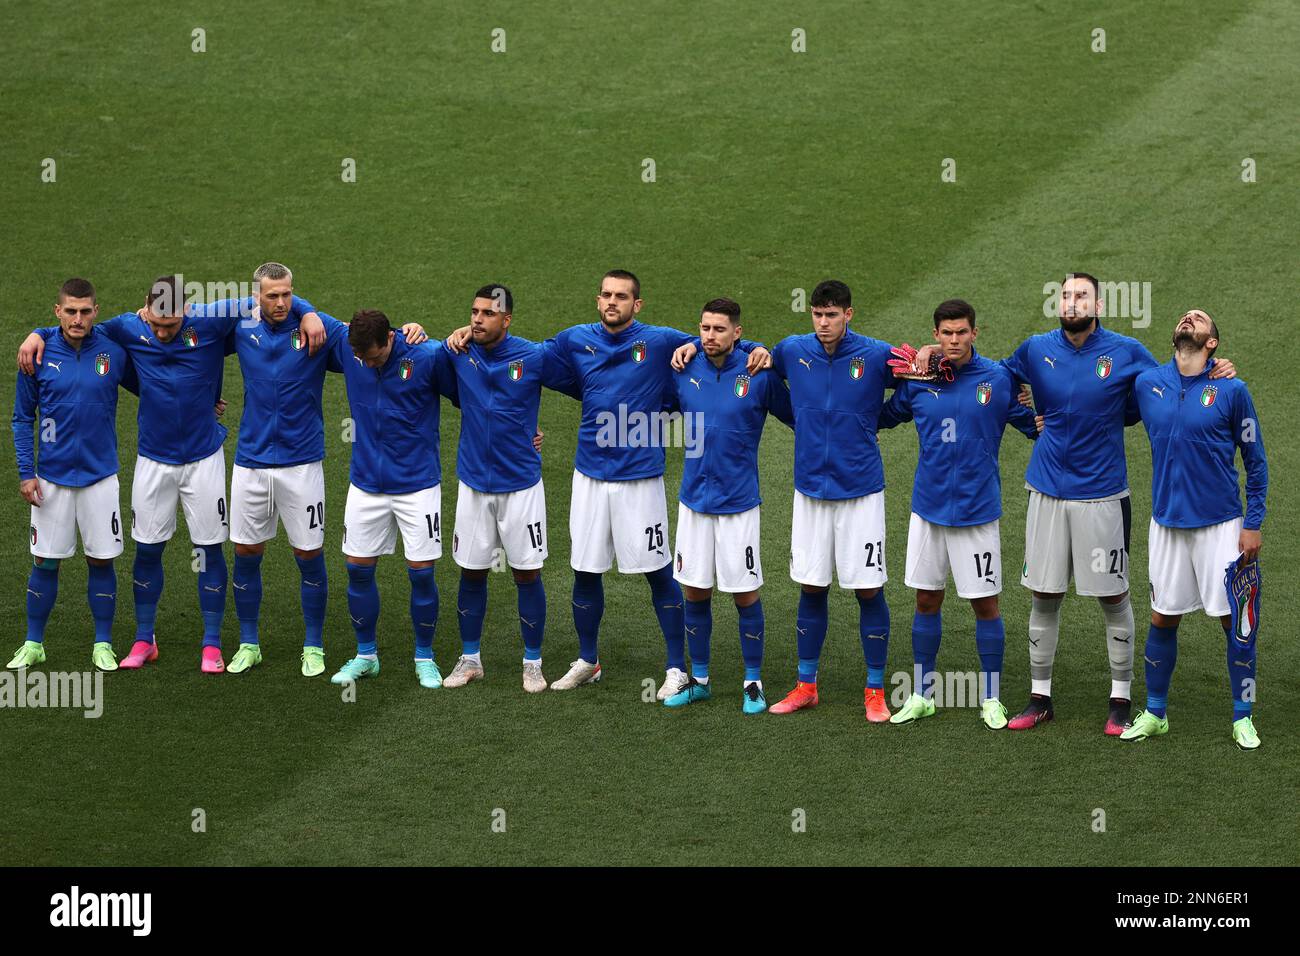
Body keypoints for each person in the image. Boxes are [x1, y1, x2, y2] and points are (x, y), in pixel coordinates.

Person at [876, 299, 1038, 730]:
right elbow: (881, 416)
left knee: (985, 604)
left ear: (974, 333)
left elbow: (1034, 424)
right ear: (936, 333)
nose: (953, 340)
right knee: (926, 599)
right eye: (945, 333)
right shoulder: (919, 380)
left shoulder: (998, 380)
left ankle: (990, 698)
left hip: (978, 510)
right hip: (928, 510)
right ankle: (922, 694)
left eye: (960, 332)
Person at [1121, 309, 1267, 750]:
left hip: (1222, 524)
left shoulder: (1232, 390)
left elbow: (1255, 460)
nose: (1188, 319)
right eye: (1185, 317)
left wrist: (1253, 523)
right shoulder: (1148, 384)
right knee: (1163, 615)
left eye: (1199, 319)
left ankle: (1243, 717)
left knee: (1235, 621)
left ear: (1212, 343)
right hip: (1166, 523)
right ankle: (1156, 713)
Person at [662, 297, 793, 713]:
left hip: (739, 504)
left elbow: (801, 419)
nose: (710, 336)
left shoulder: (759, 372)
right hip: (694, 501)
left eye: (720, 329)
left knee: (744, 593)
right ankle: (698, 679)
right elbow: (648, 409)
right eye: (704, 328)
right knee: (695, 590)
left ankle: (752, 681)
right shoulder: (683, 369)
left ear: (737, 332)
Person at [9, 278, 138, 671]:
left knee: (101, 561)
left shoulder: (114, 352)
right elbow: (21, 418)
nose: (78, 319)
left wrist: (204, 403)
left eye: (85, 311)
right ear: (58, 312)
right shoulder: (39, 353)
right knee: (45, 561)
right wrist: (26, 473)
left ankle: (102, 643)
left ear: (95, 311)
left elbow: (156, 387)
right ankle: (34, 642)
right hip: (50, 479)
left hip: (100, 477)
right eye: (70, 311)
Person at [328, 310, 458, 689]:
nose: (366, 364)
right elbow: (300, 306)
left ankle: (425, 657)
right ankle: (366, 655)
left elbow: (469, 393)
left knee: (421, 573)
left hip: (417, 485)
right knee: (357, 569)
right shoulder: (350, 347)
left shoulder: (428, 355)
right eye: (360, 358)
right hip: (365, 483)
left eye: (374, 356)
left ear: (389, 339)